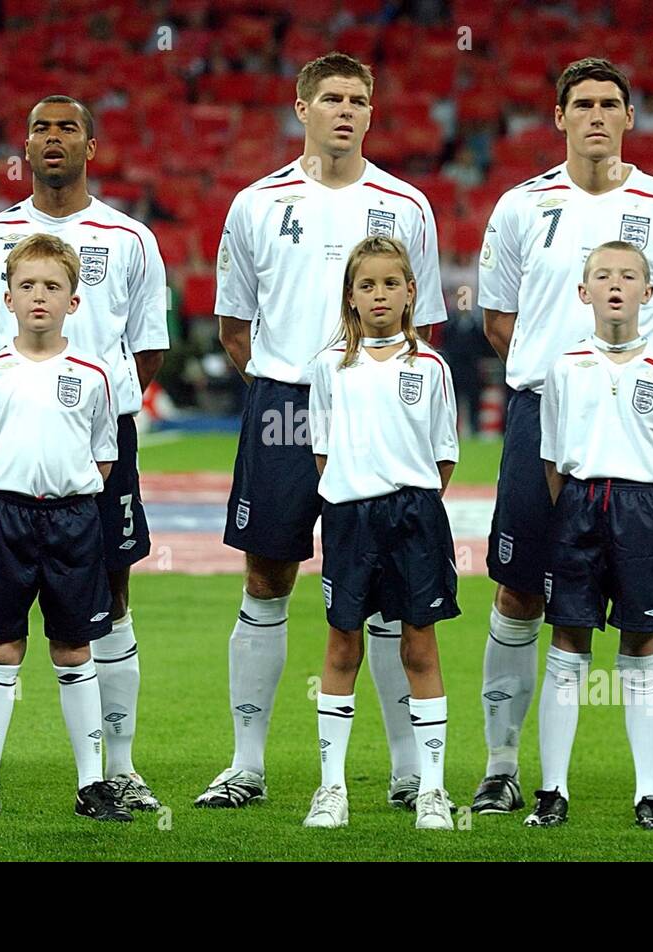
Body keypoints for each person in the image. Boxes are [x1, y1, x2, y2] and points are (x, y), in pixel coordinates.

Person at [200, 52, 448, 810]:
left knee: (386, 591)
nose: (345, 109)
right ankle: (248, 765)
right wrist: (295, 385)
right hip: (285, 403)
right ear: (300, 106)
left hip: (379, 405)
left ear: (373, 113)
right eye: (331, 97)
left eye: (359, 99)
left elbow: (425, 325)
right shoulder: (257, 203)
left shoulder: (406, 205)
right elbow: (233, 325)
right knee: (267, 577)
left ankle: (409, 772)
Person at [475, 57, 653, 818]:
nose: (597, 114)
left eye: (612, 102)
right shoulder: (519, 207)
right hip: (546, 411)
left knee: (648, 608)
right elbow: (499, 322)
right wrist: (565, 382)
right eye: (583, 104)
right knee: (518, 592)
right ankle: (504, 765)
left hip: (638, 426)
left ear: (631, 117)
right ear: (560, 117)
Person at [0, 96, 167, 813]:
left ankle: (120, 767)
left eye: (67, 127)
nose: (52, 138)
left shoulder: (130, 236)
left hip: (96, 435)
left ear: (90, 146)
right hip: (8, 429)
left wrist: (86, 415)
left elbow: (150, 346)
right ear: (25, 142)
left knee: (112, 593)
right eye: (40, 126)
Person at [0, 234, 130, 822]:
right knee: (1, 644)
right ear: (7, 298)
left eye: (53, 286)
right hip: (4, 518)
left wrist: (65, 493)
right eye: (27, 286)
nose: (39, 296)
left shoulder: (94, 373)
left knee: (74, 648)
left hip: (74, 521)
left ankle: (93, 784)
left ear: (74, 300)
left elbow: (104, 455)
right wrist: (10, 496)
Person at [529, 241, 653, 832]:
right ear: (584, 292)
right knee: (568, 646)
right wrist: (581, 509)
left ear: (649, 293)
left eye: (629, 276)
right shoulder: (565, 367)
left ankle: (649, 793)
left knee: (643, 647)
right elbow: (553, 460)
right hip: (578, 506)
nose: (616, 284)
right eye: (603, 275)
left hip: (644, 511)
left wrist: (643, 515)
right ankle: (552, 791)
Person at [303, 236, 460, 831]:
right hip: (348, 518)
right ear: (350, 295)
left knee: (419, 647)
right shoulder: (329, 367)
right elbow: (322, 450)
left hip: (415, 516)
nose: (379, 294)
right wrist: (356, 491)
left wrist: (405, 495)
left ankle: (432, 790)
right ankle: (332, 788)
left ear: (411, 291)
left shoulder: (431, 366)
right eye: (366, 285)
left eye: (390, 283)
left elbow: (443, 457)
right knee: (343, 645)